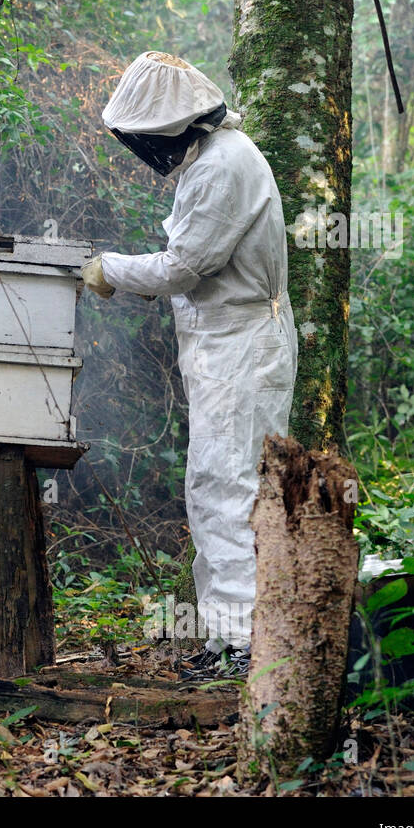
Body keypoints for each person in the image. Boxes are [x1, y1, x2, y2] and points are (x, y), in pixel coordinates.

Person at [82, 51, 298, 676]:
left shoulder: (222, 166)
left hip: (240, 351)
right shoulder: (213, 157)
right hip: (229, 349)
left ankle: (244, 647)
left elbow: (183, 268)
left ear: (174, 124)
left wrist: (110, 269)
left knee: (227, 488)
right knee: (216, 485)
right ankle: (229, 635)